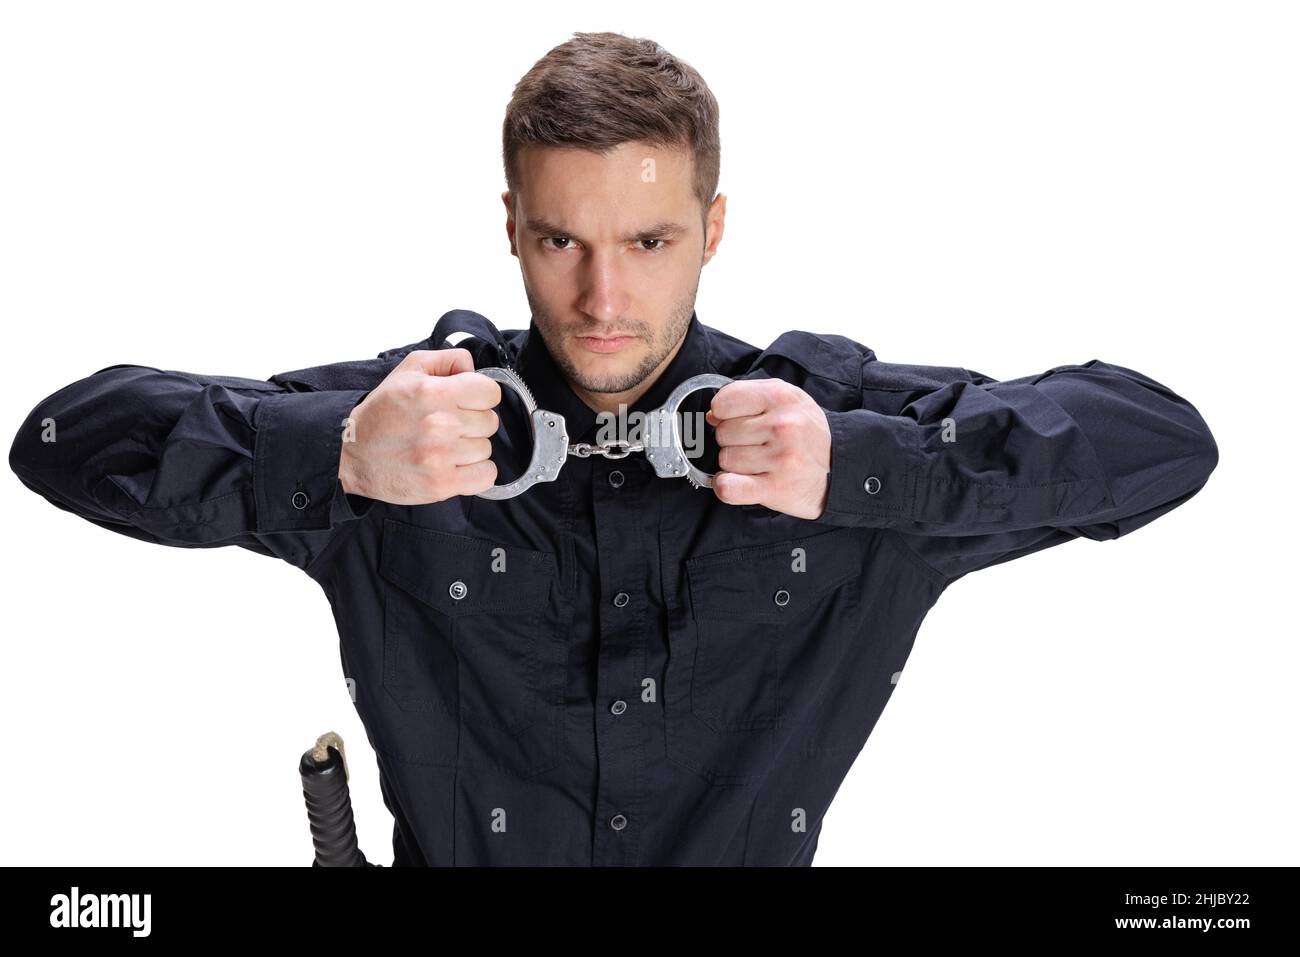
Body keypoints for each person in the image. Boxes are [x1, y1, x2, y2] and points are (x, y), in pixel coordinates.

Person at [8, 31, 1218, 866]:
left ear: (713, 229)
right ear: (510, 231)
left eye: (647, 241)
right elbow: (60, 437)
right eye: (559, 242)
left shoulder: (825, 422)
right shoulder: (408, 420)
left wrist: (865, 469)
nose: (600, 298)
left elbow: (1164, 440)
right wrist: (331, 454)